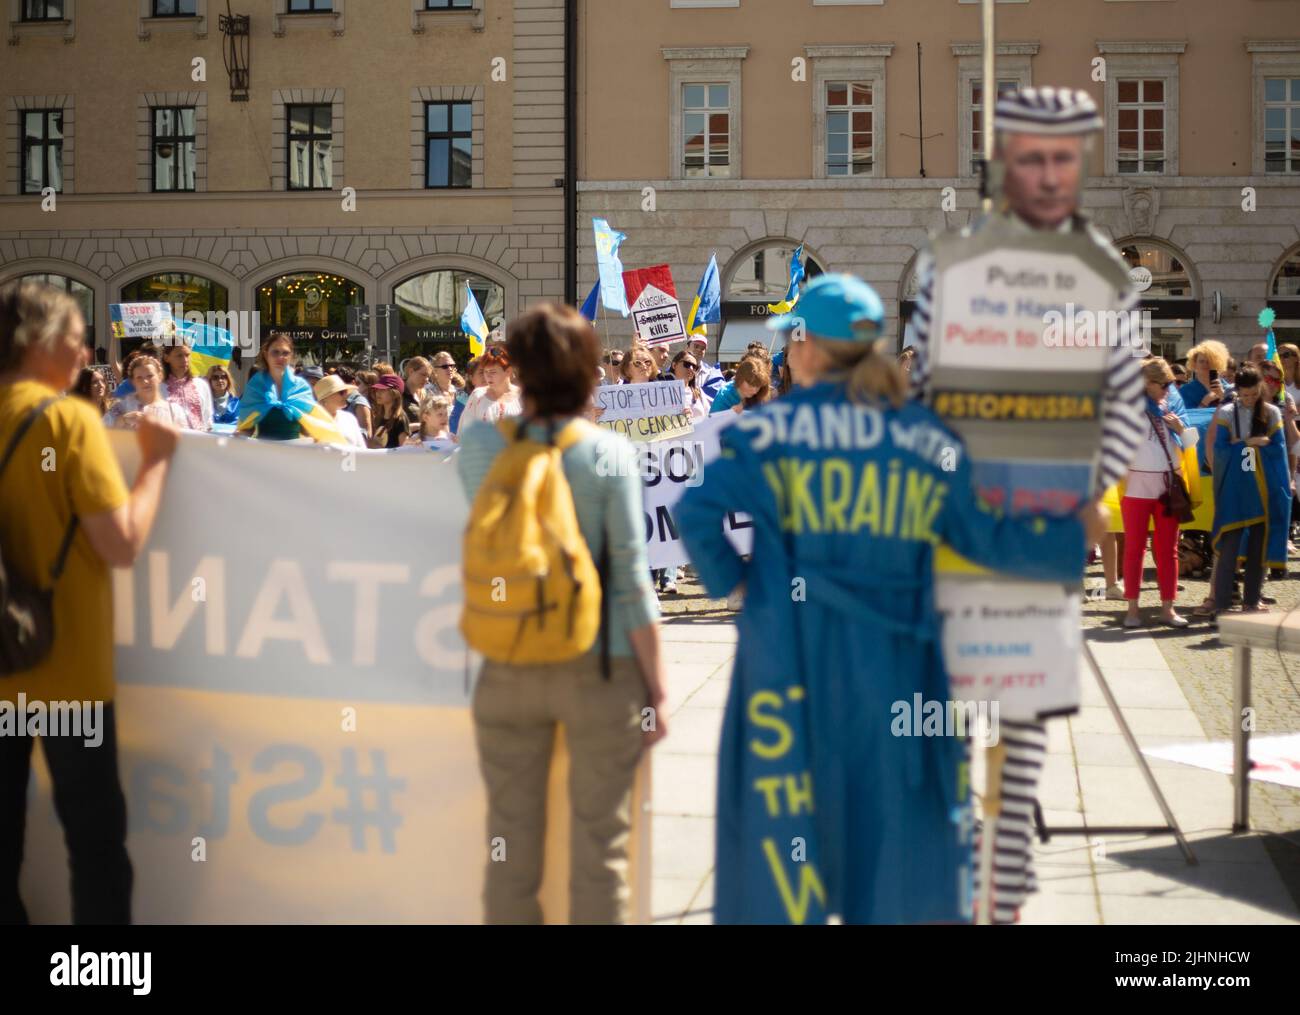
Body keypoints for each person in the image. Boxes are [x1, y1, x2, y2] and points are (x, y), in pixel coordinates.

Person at [675, 273, 1108, 924]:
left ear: (810, 349)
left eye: (792, 344)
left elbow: (697, 511)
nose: (788, 355)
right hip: (899, 668)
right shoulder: (925, 440)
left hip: (786, 669)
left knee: (784, 842)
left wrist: (737, 582)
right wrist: (1073, 531)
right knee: (901, 844)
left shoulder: (767, 433)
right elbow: (990, 539)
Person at [906, 86, 1146, 924]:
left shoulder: (1103, 276)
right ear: (1005, 161)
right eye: (1031, 156)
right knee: (943, 730)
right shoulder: (952, 267)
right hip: (958, 540)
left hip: (1044, 544)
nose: (1047, 174)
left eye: (1063, 158)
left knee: (1024, 736)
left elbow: (1124, 401)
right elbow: (923, 397)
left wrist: (1089, 502)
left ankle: (999, 904)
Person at [456, 302, 666, 924]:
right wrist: (657, 688)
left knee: (508, 849)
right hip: (602, 666)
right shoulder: (609, 455)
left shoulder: (476, 448)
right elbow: (631, 582)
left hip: (506, 661)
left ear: (518, 369)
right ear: (586, 373)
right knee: (600, 849)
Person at [0, 280, 179, 924]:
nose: (85, 354)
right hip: (66, 676)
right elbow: (122, 543)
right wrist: (157, 463)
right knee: (95, 846)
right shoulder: (65, 421)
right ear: (40, 340)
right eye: (77, 337)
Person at [1203, 366, 1290, 618]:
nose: (1249, 399)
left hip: (1264, 491)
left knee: (1258, 548)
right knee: (1229, 549)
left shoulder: (1272, 412)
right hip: (1235, 490)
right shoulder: (1227, 413)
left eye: (1253, 394)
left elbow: (1278, 451)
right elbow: (1220, 451)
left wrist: (1242, 445)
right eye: (1245, 395)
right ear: (1237, 391)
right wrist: (1251, 443)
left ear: (1260, 388)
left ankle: (1251, 600)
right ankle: (1221, 603)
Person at [1120, 359, 1197, 629]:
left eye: (1171, 384)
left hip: (1168, 486)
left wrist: (1181, 429)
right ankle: (1132, 609)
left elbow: (1191, 445)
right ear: (1147, 384)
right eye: (1163, 384)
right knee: (1134, 549)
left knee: (1168, 550)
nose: (1169, 388)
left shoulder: (1173, 403)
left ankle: (1168, 608)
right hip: (1136, 487)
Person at [237, 333, 346, 444]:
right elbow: (247, 428)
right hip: (264, 455)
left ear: (291, 356)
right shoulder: (256, 386)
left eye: (285, 353)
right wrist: (234, 440)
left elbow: (309, 428)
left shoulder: (301, 388)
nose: (280, 357)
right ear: (266, 354)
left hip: (293, 456)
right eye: (275, 352)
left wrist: (321, 442)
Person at [103, 355, 190, 430]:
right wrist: (122, 420)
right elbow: (101, 432)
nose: (145, 381)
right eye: (139, 378)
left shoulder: (174, 410)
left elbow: (186, 440)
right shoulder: (121, 407)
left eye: (150, 376)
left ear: (160, 376)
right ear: (133, 381)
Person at [458, 345, 523, 434]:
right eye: (485, 371)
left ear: (508, 371)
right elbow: (464, 432)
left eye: (493, 372)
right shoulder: (478, 395)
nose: (488, 376)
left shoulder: (523, 397)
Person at [158, 339, 213, 432]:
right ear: (166, 358)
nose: (185, 360)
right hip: (170, 442)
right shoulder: (158, 388)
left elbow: (208, 420)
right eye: (179, 356)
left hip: (199, 441)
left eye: (187, 355)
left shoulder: (201, 385)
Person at [313, 374, 367, 448]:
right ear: (324, 399)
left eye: (345, 391)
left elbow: (362, 449)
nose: (346, 395)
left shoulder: (349, 418)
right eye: (341, 392)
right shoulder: (311, 421)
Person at [1179, 341, 1232, 411]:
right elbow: (1189, 418)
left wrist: (1222, 395)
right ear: (1195, 364)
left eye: (1209, 361)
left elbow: (1234, 414)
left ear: (1217, 363)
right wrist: (1204, 402)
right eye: (1201, 361)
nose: (1205, 364)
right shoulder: (1185, 391)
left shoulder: (1229, 388)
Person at [368, 373, 410, 449]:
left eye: (383, 390)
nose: (378, 393)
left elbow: (403, 449)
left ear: (395, 393)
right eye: (377, 390)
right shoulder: (378, 416)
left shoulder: (400, 418)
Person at [670, 348, 711, 420]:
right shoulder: (662, 392)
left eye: (694, 367)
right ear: (674, 365)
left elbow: (709, 417)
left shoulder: (698, 392)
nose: (691, 369)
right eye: (687, 364)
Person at [335, 365, 372, 441]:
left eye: (342, 385)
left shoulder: (359, 402)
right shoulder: (338, 401)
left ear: (353, 383)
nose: (339, 389)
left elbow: (367, 434)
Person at [449, 355, 484, 435]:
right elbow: (454, 430)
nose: (486, 376)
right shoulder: (462, 400)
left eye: (489, 371)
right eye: (481, 372)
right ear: (471, 378)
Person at [402, 356, 433, 425]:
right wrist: (418, 426)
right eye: (423, 375)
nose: (426, 379)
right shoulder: (399, 394)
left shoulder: (426, 394)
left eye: (428, 376)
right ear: (411, 371)